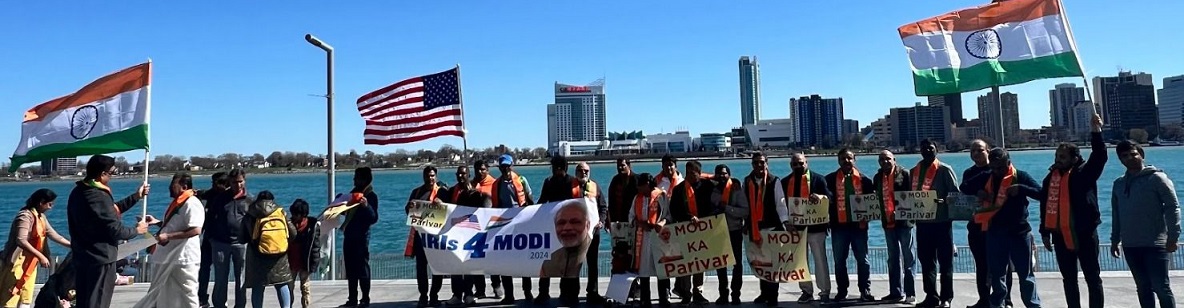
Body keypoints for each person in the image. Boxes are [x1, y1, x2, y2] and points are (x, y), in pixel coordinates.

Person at [1034, 114, 1105, 308]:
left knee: (1092, 277)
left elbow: (1099, 156)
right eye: (1056, 156)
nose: (1058, 160)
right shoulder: (1050, 178)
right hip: (1059, 235)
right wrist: (1044, 233)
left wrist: (1096, 131)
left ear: (1075, 158)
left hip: (1085, 233)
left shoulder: (1084, 173)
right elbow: (1045, 205)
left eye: (1062, 157)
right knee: (1069, 279)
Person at [66, 154, 149, 308]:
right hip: (100, 258)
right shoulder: (97, 195)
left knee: (84, 300)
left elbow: (110, 211)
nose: (112, 177)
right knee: (98, 301)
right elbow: (115, 229)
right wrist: (137, 230)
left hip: (82, 256)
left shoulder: (78, 192)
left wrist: (136, 197)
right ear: (102, 174)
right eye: (111, 173)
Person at [967, 148, 1042, 308]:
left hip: (1020, 233)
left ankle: (1033, 304)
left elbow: (1042, 193)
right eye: (993, 167)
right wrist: (979, 191)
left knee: (1026, 275)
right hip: (995, 232)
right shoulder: (987, 176)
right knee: (997, 274)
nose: (997, 171)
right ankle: (998, 304)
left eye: (1000, 167)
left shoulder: (1020, 176)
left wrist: (1022, 188)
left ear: (1008, 163)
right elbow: (964, 186)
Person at [1110, 140, 1180, 308]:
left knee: (1161, 287)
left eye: (1133, 154)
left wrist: (1173, 236)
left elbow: (1173, 207)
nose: (1129, 158)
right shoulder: (1118, 184)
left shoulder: (1157, 178)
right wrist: (1114, 240)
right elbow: (1116, 214)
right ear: (1120, 160)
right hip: (1131, 246)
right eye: (1124, 156)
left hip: (1155, 244)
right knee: (1143, 288)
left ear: (1141, 155)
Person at [132, 173, 206, 308]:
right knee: (164, 292)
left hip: (183, 257)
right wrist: (157, 222)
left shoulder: (192, 203)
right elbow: (176, 226)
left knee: (187, 292)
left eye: (173, 185)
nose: (169, 188)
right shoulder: (178, 203)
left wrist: (168, 236)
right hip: (169, 256)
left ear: (184, 187)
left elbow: (196, 230)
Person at [959, 140, 1012, 308]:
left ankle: (1006, 300)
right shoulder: (969, 173)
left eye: (979, 150)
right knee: (981, 265)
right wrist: (977, 191)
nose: (975, 153)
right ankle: (984, 299)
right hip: (976, 225)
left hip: (998, 225)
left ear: (988, 151)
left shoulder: (998, 169)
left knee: (1003, 265)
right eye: (972, 150)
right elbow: (964, 188)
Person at [774, 153, 831, 304]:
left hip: (816, 228)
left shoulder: (819, 179)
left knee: (820, 261)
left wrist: (820, 197)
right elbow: (781, 205)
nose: (798, 166)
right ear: (790, 165)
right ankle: (806, 291)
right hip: (796, 229)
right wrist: (786, 223)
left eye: (801, 163)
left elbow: (830, 198)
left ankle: (824, 291)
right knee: (800, 262)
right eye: (795, 164)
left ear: (807, 162)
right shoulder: (785, 182)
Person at [1, 189, 71, 308]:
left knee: (25, 296)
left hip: (30, 264)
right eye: (49, 204)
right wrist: (41, 256)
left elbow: (54, 235)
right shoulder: (25, 216)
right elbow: (21, 240)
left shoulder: (40, 217)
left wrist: (73, 245)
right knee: (11, 295)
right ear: (41, 202)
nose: (51, 207)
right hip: (17, 263)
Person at [912, 139, 960, 308]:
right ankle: (931, 296)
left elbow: (956, 196)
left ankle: (947, 297)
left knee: (945, 262)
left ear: (936, 150)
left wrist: (944, 200)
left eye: (930, 148)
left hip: (942, 223)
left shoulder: (945, 170)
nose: (927, 150)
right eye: (924, 148)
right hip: (923, 224)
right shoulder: (914, 171)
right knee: (926, 262)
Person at [825, 148, 874, 302]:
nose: (846, 161)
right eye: (843, 159)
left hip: (859, 227)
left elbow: (872, 204)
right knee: (839, 261)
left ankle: (865, 290)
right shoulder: (829, 180)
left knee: (863, 261)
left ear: (854, 159)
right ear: (838, 161)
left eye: (849, 158)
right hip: (839, 227)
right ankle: (842, 290)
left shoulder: (865, 181)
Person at [667, 160, 714, 305]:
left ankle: (698, 291)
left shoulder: (708, 186)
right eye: (687, 173)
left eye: (693, 173)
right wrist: (688, 217)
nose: (689, 176)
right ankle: (685, 293)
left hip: (703, 230)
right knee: (686, 263)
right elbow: (674, 210)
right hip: (686, 230)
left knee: (700, 263)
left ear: (699, 173)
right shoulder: (678, 189)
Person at [490, 154, 535, 305]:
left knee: (523, 261)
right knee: (505, 263)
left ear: (512, 166)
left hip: (521, 224)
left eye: (507, 166)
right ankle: (509, 294)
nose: (505, 169)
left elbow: (530, 199)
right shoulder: (496, 184)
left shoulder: (521, 180)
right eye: (502, 167)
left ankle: (527, 292)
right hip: (504, 226)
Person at [444, 165, 491, 306]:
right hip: (455, 233)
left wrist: (476, 195)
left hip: (471, 233)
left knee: (469, 265)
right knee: (455, 266)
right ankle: (456, 294)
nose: (460, 176)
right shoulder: (452, 191)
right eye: (458, 174)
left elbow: (487, 206)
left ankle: (469, 293)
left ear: (468, 175)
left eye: (463, 174)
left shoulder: (476, 192)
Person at [535, 155, 577, 305]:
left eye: (559, 168)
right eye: (555, 168)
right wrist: (530, 211)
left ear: (564, 168)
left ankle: (566, 293)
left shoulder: (572, 182)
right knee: (546, 261)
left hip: (568, 228)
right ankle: (543, 293)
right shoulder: (548, 182)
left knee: (568, 261)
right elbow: (542, 201)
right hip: (551, 226)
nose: (557, 171)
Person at [874, 150, 915, 304]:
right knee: (892, 259)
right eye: (882, 159)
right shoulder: (877, 177)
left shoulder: (905, 174)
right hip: (887, 223)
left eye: (888, 159)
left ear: (894, 160)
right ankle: (895, 292)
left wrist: (902, 211)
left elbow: (912, 195)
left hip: (904, 223)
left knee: (908, 258)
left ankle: (910, 293)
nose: (885, 162)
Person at [241, 191, 295, 308]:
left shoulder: (251, 214)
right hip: (279, 256)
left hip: (257, 256)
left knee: (258, 286)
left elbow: (242, 236)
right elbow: (293, 232)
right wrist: (282, 244)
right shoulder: (280, 212)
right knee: (281, 283)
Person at [207, 169, 251, 308]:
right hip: (220, 243)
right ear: (229, 182)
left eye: (240, 181)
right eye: (234, 182)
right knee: (220, 278)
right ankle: (219, 305)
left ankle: (240, 305)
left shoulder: (250, 199)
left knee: (241, 278)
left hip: (241, 244)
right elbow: (210, 218)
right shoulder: (220, 198)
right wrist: (211, 238)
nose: (237, 185)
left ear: (244, 181)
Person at [744, 152, 781, 306]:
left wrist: (786, 224)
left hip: (772, 228)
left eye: (761, 162)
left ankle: (773, 296)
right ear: (752, 164)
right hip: (754, 228)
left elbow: (781, 204)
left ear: (767, 163)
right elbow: (745, 205)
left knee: (773, 264)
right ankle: (763, 293)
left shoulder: (775, 181)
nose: (759, 165)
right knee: (760, 263)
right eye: (756, 163)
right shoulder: (747, 181)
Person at [629, 173, 671, 307]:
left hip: (659, 237)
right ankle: (645, 300)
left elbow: (669, 215)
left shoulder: (661, 196)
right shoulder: (637, 198)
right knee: (644, 270)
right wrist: (641, 224)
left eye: (640, 186)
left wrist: (662, 222)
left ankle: (664, 299)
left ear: (647, 184)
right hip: (643, 238)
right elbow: (631, 216)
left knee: (662, 269)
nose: (638, 188)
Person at [406, 166, 445, 307]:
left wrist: (441, 203)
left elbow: (451, 209)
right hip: (419, 237)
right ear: (423, 177)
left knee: (437, 268)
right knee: (421, 268)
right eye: (428, 175)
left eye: (433, 175)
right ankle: (423, 295)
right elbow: (408, 211)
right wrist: (409, 206)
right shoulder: (416, 192)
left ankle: (434, 295)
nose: (430, 178)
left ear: (436, 176)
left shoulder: (442, 191)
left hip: (436, 238)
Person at [342, 167, 379, 308]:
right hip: (349, 235)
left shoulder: (371, 196)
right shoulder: (352, 194)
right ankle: (352, 298)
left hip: (362, 238)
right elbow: (344, 214)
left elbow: (374, 218)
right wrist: (339, 203)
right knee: (350, 270)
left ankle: (365, 298)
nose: (354, 180)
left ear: (364, 179)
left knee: (362, 269)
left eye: (356, 177)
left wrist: (366, 206)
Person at [712, 164, 748, 305]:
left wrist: (726, 208)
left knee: (737, 264)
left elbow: (745, 211)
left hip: (734, 231)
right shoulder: (712, 189)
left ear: (729, 175)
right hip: (718, 232)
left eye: (724, 173)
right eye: (719, 174)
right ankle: (723, 294)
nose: (722, 176)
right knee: (720, 265)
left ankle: (736, 294)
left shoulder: (737, 190)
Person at [574, 162, 608, 305]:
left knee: (592, 263)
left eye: (586, 171)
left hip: (593, 232)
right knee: (575, 263)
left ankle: (592, 292)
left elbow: (603, 207)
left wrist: (602, 221)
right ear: (576, 172)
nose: (584, 173)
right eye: (581, 171)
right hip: (576, 232)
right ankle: (572, 292)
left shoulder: (595, 186)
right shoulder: (570, 186)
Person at [607, 158, 639, 302]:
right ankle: (617, 289)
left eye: (623, 165)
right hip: (618, 225)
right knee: (618, 256)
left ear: (629, 166)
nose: (620, 168)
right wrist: (609, 221)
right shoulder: (614, 181)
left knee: (634, 257)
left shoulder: (636, 180)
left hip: (633, 224)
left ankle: (634, 288)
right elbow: (610, 201)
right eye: (618, 166)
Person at [198, 171, 229, 308]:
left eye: (215, 183)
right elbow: (203, 193)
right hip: (209, 237)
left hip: (222, 239)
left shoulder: (229, 197)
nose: (213, 186)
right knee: (204, 268)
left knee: (220, 271)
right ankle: (202, 297)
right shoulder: (211, 194)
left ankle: (220, 299)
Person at [540, 202, 593, 278]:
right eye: (561, 223)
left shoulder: (593, 255)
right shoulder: (548, 264)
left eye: (575, 222)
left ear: (587, 225)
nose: (567, 228)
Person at [287, 199, 321, 308]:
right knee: (288, 287)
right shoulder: (288, 224)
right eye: (293, 214)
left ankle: (305, 306)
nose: (294, 217)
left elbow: (315, 247)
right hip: (290, 260)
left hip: (305, 261)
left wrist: (313, 264)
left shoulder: (312, 226)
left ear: (304, 214)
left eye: (297, 214)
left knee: (305, 287)